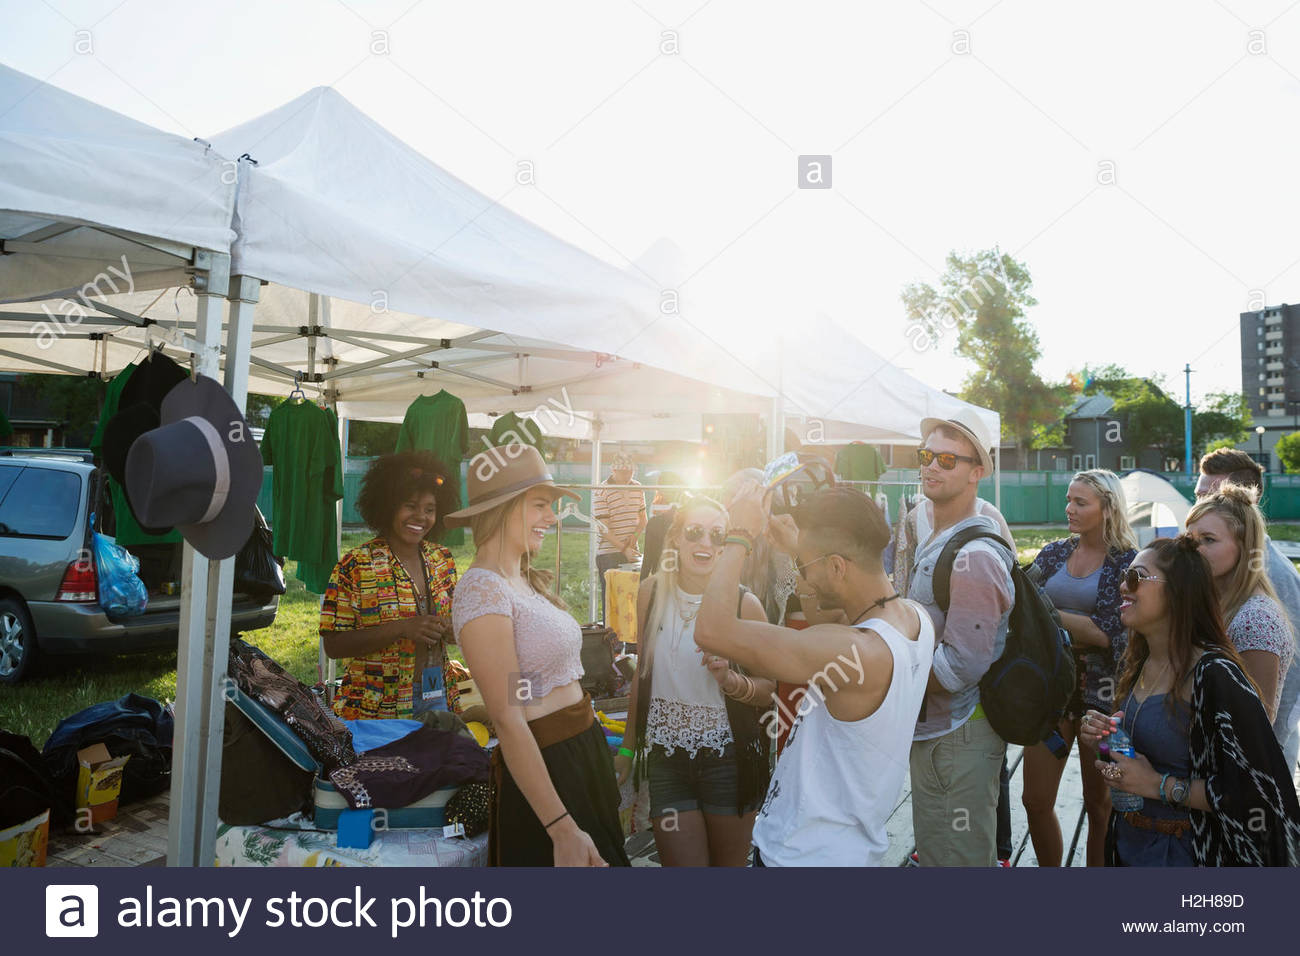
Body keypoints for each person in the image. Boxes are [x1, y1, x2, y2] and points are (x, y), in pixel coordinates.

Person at [694, 483, 935, 866]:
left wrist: (739, 535)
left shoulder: (854, 651)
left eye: (805, 568)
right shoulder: (915, 619)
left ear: (838, 565)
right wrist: (802, 550)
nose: (802, 578)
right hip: (850, 851)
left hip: (801, 856)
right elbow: (830, 615)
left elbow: (711, 630)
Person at [449, 444, 629, 867]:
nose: (552, 517)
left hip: (580, 751)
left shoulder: (519, 579)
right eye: (541, 505)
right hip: (549, 770)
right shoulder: (481, 589)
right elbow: (511, 719)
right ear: (504, 507)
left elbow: (522, 686)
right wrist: (561, 826)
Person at [1079, 536, 1300, 865]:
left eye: (1136, 577)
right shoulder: (1138, 662)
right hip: (1130, 845)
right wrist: (1105, 741)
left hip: (1189, 856)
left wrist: (1158, 785)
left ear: (1177, 591)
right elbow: (1139, 760)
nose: (1124, 587)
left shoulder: (1215, 676)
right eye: (1125, 576)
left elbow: (1255, 791)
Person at [616, 497, 774, 865]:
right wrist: (626, 749)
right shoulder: (650, 593)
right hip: (667, 757)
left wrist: (731, 681)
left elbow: (770, 690)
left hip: (729, 760)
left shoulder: (743, 604)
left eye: (718, 536)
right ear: (675, 538)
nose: (705, 544)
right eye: (694, 532)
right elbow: (643, 673)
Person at [905, 411, 1013, 867]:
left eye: (947, 459)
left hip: (959, 733)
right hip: (939, 731)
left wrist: (891, 677)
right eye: (926, 455)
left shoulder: (974, 554)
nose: (931, 466)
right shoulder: (926, 528)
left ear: (977, 471)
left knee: (957, 859)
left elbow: (960, 666)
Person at [1020, 470, 1138, 866]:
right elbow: (1021, 603)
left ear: (1107, 508)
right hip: (1049, 691)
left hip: (1104, 700)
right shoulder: (1054, 552)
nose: (1069, 508)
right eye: (1069, 500)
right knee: (1034, 800)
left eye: (1080, 502)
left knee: (1100, 804)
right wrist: (1072, 621)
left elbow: (1109, 634)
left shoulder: (1128, 561)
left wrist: (1047, 610)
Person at [320, 451, 459, 720]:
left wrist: (453, 630)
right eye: (410, 505)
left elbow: (453, 621)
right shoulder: (356, 565)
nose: (420, 517)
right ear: (388, 505)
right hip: (377, 706)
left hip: (438, 693)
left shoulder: (442, 559)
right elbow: (334, 646)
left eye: (430, 509)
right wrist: (402, 628)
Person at [1196, 448, 1300, 776]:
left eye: (1212, 496)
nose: (1201, 506)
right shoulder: (1213, 564)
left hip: (1253, 763)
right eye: (1198, 496)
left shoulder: (1277, 576)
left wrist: (1271, 749)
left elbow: (1287, 677)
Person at [1184, 484, 1293, 725]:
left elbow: (1255, 726)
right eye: (1190, 540)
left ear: (1244, 547)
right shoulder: (1213, 601)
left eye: (1208, 540)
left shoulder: (1256, 619)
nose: (1195, 550)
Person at [593, 452, 647, 620]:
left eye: (630, 472)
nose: (627, 476)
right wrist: (624, 549)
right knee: (612, 602)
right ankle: (611, 640)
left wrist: (635, 537)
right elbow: (604, 529)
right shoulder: (602, 491)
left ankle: (631, 642)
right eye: (623, 473)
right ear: (613, 471)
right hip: (608, 553)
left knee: (632, 600)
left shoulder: (637, 486)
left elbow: (643, 519)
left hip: (632, 551)